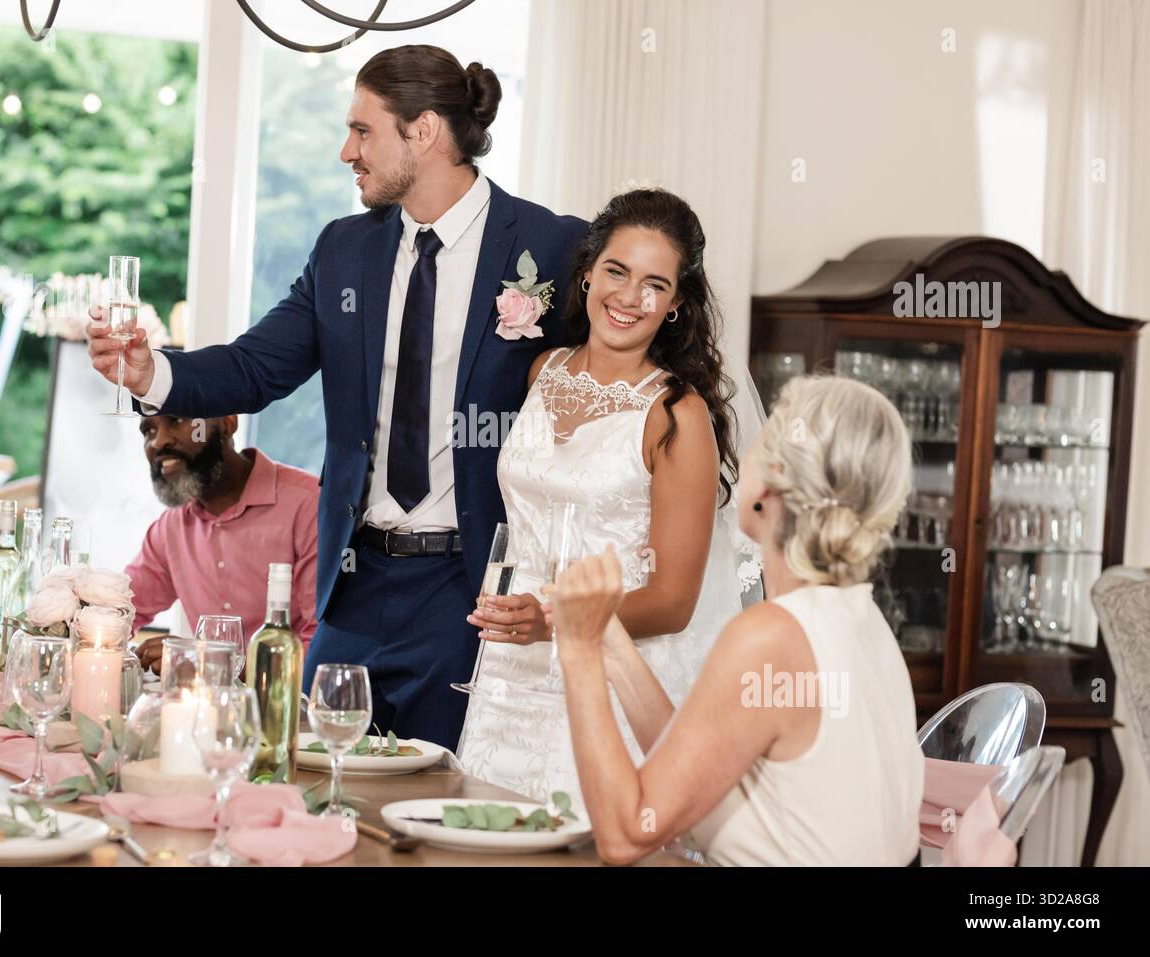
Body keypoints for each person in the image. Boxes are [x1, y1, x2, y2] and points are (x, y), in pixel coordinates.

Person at [88, 46, 586, 748]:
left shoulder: (552, 246)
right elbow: (254, 367)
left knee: (436, 807)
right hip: (352, 583)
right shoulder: (344, 250)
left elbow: (606, 394)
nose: (345, 151)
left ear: (424, 131)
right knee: (309, 779)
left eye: (362, 130)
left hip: (469, 590)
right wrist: (149, 375)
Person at [457, 188, 764, 809]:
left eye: (654, 284)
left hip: (613, 678)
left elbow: (674, 602)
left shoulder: (676, 415)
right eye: (616, 272)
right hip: (510, 671)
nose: (628, 298)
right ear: (588, 271)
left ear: (676, 304)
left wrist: (552, 622)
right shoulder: (544, 371)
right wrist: (527, 623)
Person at [551, 375, 924, 866]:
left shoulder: (770, 636)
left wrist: (576, 649)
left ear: (766, 488)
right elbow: (694, 761)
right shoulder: (861, 618)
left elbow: (625, 834)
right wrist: (608, 641)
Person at [127, 414, 319, 673]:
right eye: (148, 431)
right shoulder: (171, 527)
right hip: (207, 708)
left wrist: (208, 662)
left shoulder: (309, 505)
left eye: (177, 420)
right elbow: (122, 609)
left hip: (288, 708)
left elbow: (325, 640)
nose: (159, 442)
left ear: (228, 423)